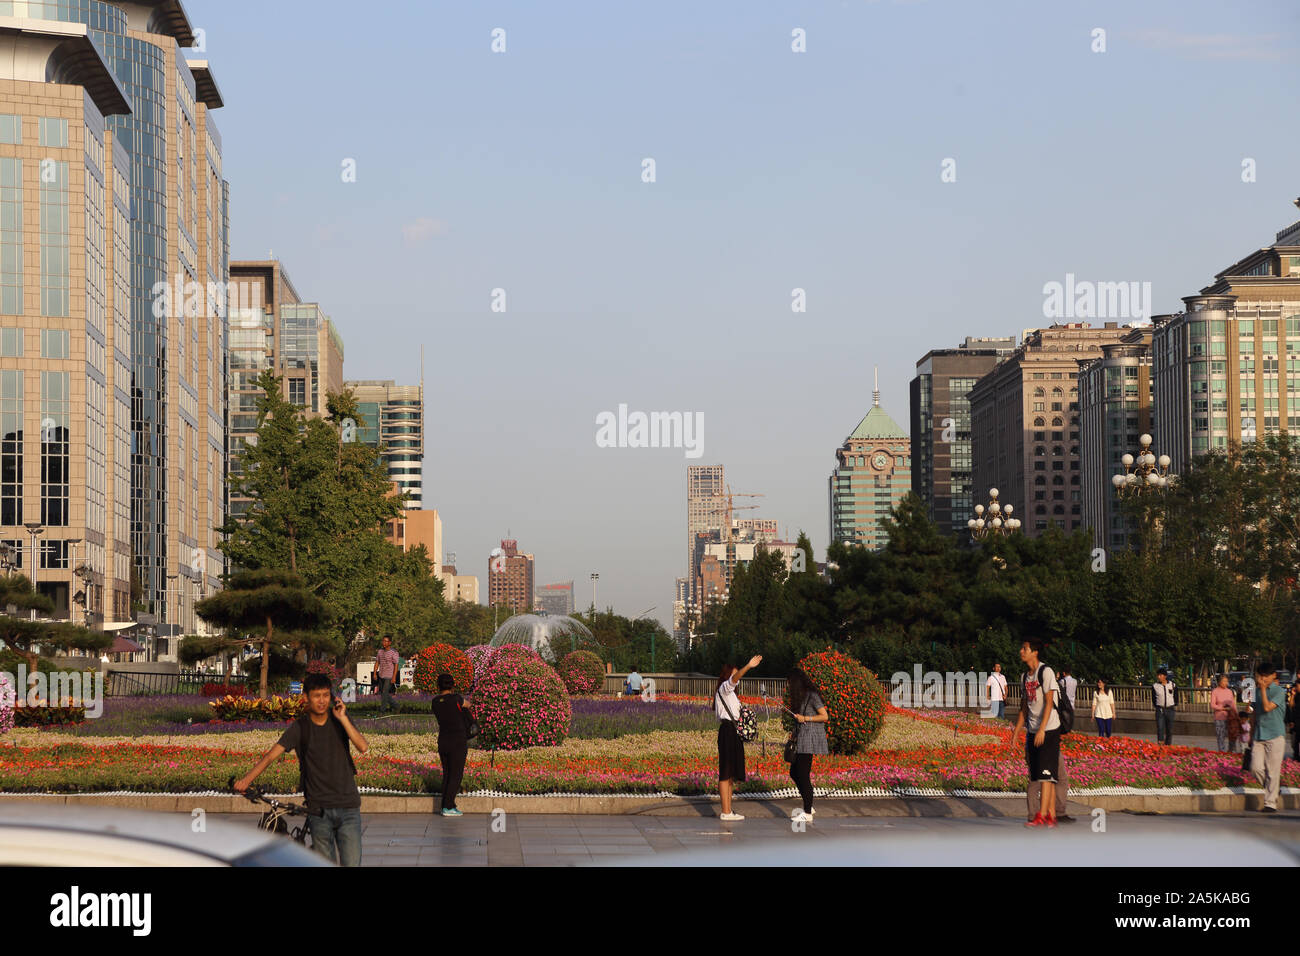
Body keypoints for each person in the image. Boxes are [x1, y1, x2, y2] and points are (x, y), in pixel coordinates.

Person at [234, 672, 369, 866]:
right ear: (306, 697)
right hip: (318, 810)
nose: (322, 701)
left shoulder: (340, 720)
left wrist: (343, 718)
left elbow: (362, 747)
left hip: (348, 807)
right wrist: (246, 781)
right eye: (316, 696)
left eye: (325, 695)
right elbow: (271, 756)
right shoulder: (300, 728)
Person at [1009, 637, 1060, 828]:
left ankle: (1042, 814)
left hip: (1048, 729)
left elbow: (1049, 702)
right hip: (1032, 730)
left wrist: (1042, 729)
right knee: (1042, 774)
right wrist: (1016, 733)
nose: (1021, 651)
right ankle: (1051, 817)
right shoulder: (1025, 677)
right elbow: (1024, 708)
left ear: (1035, 652)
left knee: (1046, 775)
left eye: (1025, 648)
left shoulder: (1045, 672)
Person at [715, 655, 762, 821]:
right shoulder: (724, 689)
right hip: (728, 731)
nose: (737, 679)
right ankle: (725, 811)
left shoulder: (731, 694)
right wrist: (748, 666)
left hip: (732, 732)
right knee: (725, 771)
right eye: (735, 675)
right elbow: (734, 679)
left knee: (731, 773)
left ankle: (728, 810)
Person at [787, 667, 829, 823]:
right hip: (801, 738)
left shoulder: (812, 696)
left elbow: (825, 716)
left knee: (803, 774)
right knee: (794, 772)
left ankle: (807, 811)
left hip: (810, 739)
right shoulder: (801, 697)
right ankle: (808, 804)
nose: (789, 687)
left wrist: (806, 718)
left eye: (790, 683)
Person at [430, 672, 472, 817]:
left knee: (447, 774)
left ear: (438, 686)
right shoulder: (456, 699)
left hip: (443, 741)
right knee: (456, 775)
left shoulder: (435, 702)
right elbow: (468, 705)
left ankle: (446, 805)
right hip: (457, 741)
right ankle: (448, 806)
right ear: (453, 685)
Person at [1251, 662, 1286, 813]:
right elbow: (1254, 713)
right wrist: (1250, 733)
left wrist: (1263, 689)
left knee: (1272, 771)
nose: (1263, 679)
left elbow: (1266, 707)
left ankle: (1270, 803)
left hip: (1275, 735)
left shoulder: (1279, 691)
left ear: (1273, 676)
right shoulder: (1256, 691)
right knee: (1255, 768)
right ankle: (1274, 788)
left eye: (1266, 676)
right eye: (1261, 676)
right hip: (1259, 734)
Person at [1151, 668, 1177, 746]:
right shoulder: (1155, 686)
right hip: (1160, 709)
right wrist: (1158, 706)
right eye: (1158, 675)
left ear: (1165, 676)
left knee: (1170, 729)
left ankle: (1168, 745)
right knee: (1160, 728)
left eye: (1161, 675)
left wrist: (1174, 704)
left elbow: (1176, 696)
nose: (1159, 677)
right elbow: (1153, 698)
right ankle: (1161, 745)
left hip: (1170, 709)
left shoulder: (1172, 685)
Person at [374, 635, 400, 713]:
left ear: (390, 643)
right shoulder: (380, 651)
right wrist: (375, 673)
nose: (384, 642)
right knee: (383, 694)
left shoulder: (394, 652)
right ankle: (396, 706)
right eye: (383, 641)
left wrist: (394, 677)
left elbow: (396, 665)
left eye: (386, 641)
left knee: (385, 693)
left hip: (389, 676)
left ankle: (382, 710)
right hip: (381, 675)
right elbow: (377, 662)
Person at [1211, 674, 1236, 752]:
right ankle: (1222, 753)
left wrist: (1236, 715)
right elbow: (1212, 705)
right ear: (1219, 682)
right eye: (1224, 681)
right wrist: (1222, 708)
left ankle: (1231, 752)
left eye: (1227, 681)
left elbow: (1233, 704)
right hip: (1219, 718)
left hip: (1230, 718)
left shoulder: (1229, 691)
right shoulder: (1215, 691)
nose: (1226, 683)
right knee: (1221, 737)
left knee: (1232, 736)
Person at [1239, 707, 1253, 774]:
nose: (1242, 721)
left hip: (1247, 739)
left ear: (1247, 719)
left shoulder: (1247, 725)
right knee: (1242, 747)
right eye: (1241, 719)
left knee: (1246, 748)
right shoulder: (1240, 725)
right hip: (1241, 739)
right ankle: (1242, 754)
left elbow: (1248, 730)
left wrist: (1244, 731)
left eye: (1244, 719)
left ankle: (1245, 754)